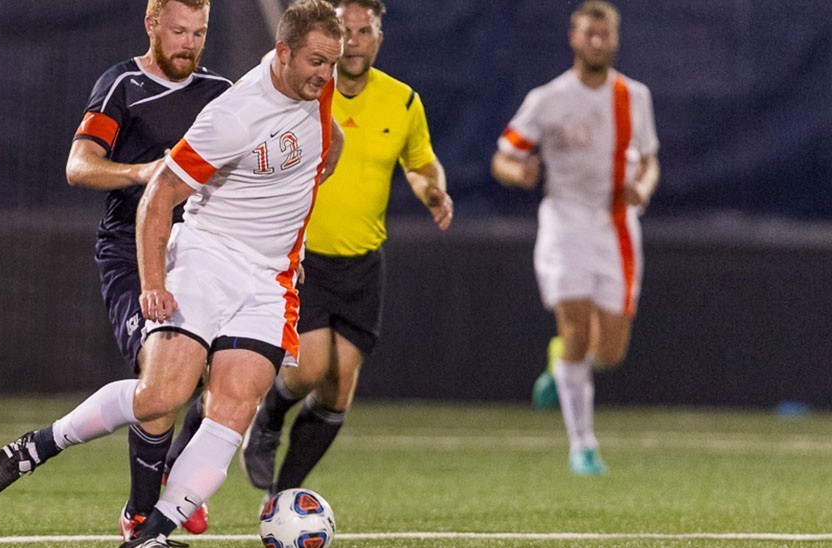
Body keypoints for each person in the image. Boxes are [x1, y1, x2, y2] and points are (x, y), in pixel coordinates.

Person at [0, 1, 344, 548]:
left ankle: (147, 533)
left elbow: (329, 141)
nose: (326, 74)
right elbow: (159, 196)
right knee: (161, 395)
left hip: (271, 280)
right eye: (317, 61)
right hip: (204, 258)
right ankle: (40, 445)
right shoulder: (234, 111)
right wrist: (154, 283)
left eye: (333, 63)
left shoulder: (316, 91)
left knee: (233, 408)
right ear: (284, 52)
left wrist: (300, 188)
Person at [239, 0, 452, 497]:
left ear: (379, 38)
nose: (353, 41)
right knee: (310, 369)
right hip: (306, 257)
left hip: (363, 264)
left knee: (339, 390)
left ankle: (284, 496)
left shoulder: (401, 101)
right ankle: (266, 421)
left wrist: (433, 191)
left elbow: (420, 163)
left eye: (364, 30)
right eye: (345, 31)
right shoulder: (306, 91)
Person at [63, 0, 230, 539]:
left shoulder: (221, 95)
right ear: (152, 25)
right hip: (132, 250)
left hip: (205, 252)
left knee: (225, 377)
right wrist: (143, 173)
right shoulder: (122, 85)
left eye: (199, 33)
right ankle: (140, 515)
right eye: (179, 30)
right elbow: (78, 165)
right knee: (159, 379)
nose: (189, 43)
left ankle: (174, 478)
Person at [490, 0, 659, 475]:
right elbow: (503, 156)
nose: (598, 42)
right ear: (574, 38)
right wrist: (517, 172)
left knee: (609, 352)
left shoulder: (634, 96)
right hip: (565, 223)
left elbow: (648, 160)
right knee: (578, 331)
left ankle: (558, 362)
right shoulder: (548, 99)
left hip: (617, 229)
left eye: (605, 34)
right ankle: (582, 445)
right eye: (590, 33)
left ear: (616, 40)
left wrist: (642, 187)